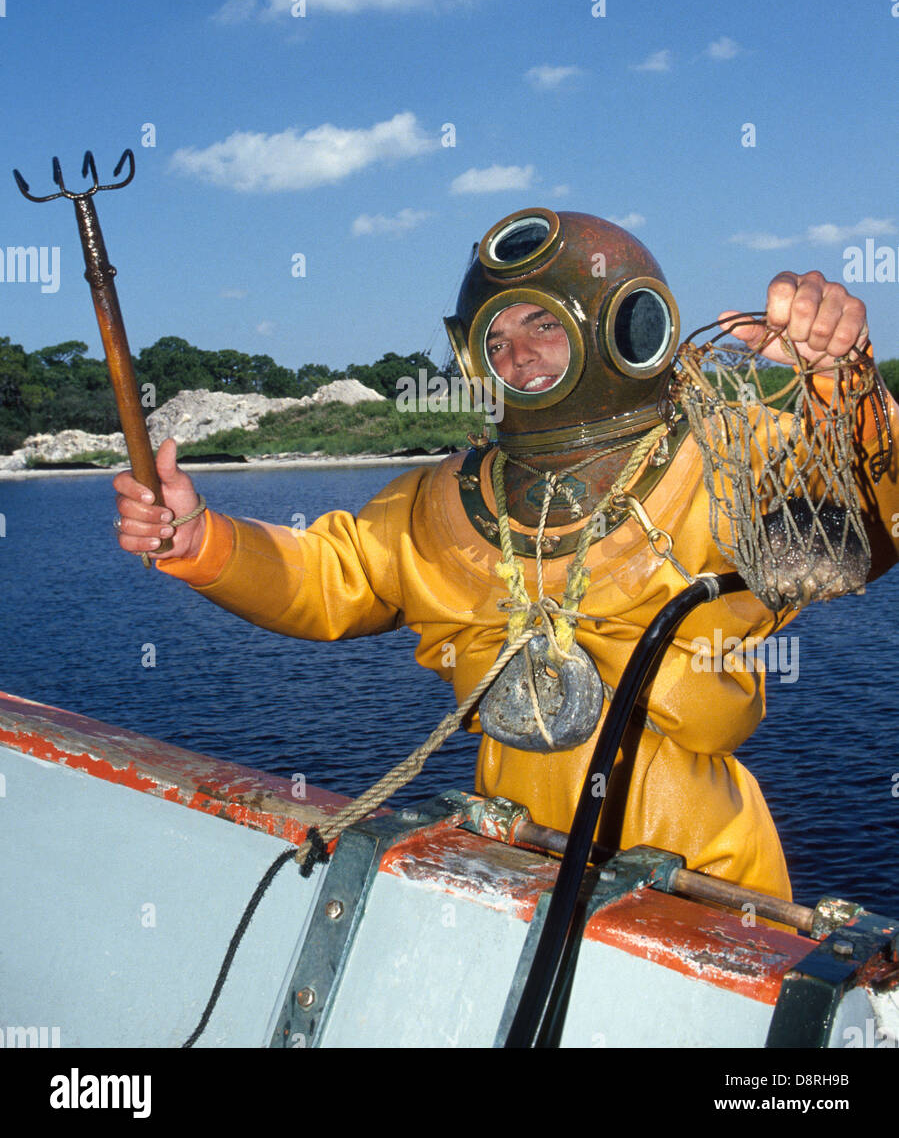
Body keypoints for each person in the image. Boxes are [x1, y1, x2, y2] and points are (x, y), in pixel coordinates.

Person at [113, 208, 899, 901]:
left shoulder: (725, 457)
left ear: (624, 325)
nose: (516, 354)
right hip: (519, 858)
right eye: (495, 336)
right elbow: (329, 578)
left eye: (543, 324)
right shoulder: (443, 501)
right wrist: (203, 538)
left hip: (706, 877)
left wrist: (842, 383)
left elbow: (867, 527)